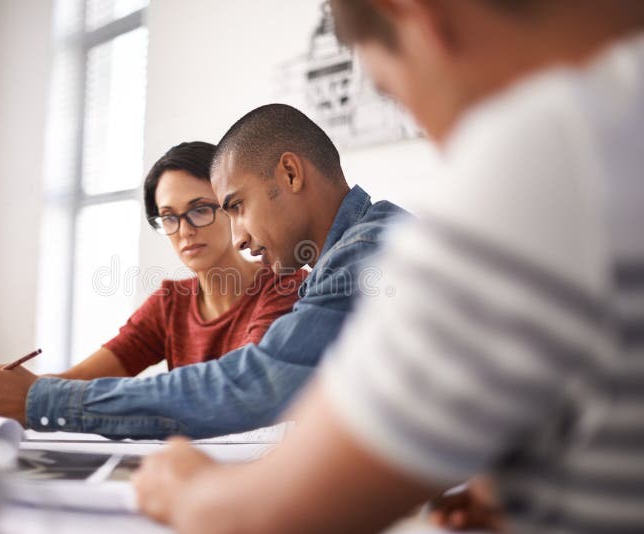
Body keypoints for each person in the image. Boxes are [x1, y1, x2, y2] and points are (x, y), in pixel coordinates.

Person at [131, 1, 644, 533]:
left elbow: (269, 511)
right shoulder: (606, 132)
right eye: (167, 218)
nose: (426, 131)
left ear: (419, 17)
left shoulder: (553, 146)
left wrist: (185, 489)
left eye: (391, 91)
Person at [0, 104, 408, 438]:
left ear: (290, 174)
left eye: (233, 207)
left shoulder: (363, 254)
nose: (240, 237)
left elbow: (254, 386)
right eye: (167, 217)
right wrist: (15, 389)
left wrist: (38, 400)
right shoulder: (354, 251)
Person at [0, 142, 305, 389]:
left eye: (199, 209)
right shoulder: (170, 304)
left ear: (230, 206)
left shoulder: (285, 287)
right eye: (169, 217)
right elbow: (78, 379)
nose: (184, 230)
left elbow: (231, 386)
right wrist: (13, 381)